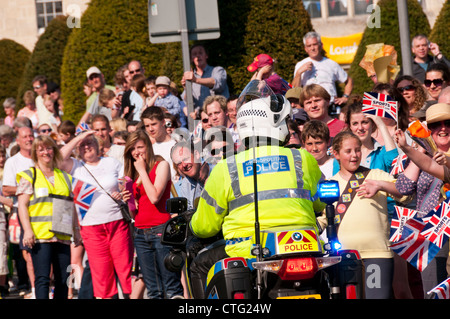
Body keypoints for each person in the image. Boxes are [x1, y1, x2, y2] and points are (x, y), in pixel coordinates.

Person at [188, 80, 326, 299]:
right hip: (305, 245)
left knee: (199, 265)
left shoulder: (228, 166)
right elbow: (320, 202)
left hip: (249, 250)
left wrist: (192, 225)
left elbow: (205, 227)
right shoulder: (302, 158)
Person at [324, 131, 407, 299]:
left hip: (377, 253)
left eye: (358, 150)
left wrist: (380, 185)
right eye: (348, 151)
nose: (354, 155)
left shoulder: (375, 175)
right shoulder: (329, 184)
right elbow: (326, 217)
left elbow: (404, 193)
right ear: (335, 154)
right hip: (344, 256)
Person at [59, 130, 133, 299]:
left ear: (98, 146)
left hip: (117, 223)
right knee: (101, 274)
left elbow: (126, 183)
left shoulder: (112, 163)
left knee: (125, 269)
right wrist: (79, 137)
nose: (86, 147)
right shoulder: (75, 166)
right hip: (91, 228)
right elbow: (58, 158)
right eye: (82, 145)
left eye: (90, 143)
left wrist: (122, 194)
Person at [394, 102, 450, 297]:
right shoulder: (421, 154)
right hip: (431, 230)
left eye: (447, 123)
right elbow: (402, 188)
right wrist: (417, 150)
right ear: (428, 129)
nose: (442, 128)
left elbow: (443, 170)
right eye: (435, 125)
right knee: (432, 290)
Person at [122, 130, 183, 299]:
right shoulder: (133, 172)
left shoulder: (160, 165)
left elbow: (155, 197)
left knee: (171, 287)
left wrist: (142, 171)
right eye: (132, 149)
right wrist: (129, 200)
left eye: (140, 147)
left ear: (148, 146)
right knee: (153, 290)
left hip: (161, 230)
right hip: (141, 232)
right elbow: (134, 213)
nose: (136, 152)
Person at [16, 135, 74, 300]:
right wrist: (27, 230)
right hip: (40, 235)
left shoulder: (64, 176)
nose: (45, 152)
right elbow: (22, 205)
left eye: (48, 148)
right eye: (41, 149)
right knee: (42, 278)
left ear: (54, 150)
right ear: (35, 152)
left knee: (63, 279)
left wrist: (76, 230)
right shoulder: (29, 175)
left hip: (62, 234)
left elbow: (71, 205)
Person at [2, 126, 36, 298]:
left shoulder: (42, 156)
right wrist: (29, 188)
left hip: (45, 211)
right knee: (27, 253)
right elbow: (6, 189)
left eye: (31, 135)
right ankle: (32, 287)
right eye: (25, 137)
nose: (29, 139)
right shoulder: (13, 162)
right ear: (18, 140)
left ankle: (44, 286)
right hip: (24, 212)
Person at [292, 31, 352, 105]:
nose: (312, 48)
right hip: (310, 108)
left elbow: (349, 80)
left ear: (321, 45)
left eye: (315, 44)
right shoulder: (300, 65)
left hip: (330, 107)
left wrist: (345, 97)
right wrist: (299, 72)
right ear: (305, 49)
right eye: (309, 46)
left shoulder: (332, 64)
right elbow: (294, 90)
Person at [181, 44, 229, 115]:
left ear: (206, 55)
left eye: (200, 53)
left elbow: (217, 83)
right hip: (201, 119)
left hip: (220, 116)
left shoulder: (217, 70)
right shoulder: (189, 77)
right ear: (191, 58)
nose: (197, 56)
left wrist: (196, 80)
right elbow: (187, 102)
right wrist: (186, 87)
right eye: (194, 54)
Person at [141, 107, 177, 181]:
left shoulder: (177, 144)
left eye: (154, 124)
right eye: (147, 126)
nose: (150, 129)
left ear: (163, 122)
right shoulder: (148, 149)